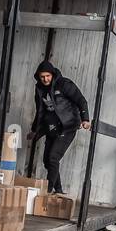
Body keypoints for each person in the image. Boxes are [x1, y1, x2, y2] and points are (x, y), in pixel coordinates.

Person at [29, 60, 91, 195]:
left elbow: (81, 100)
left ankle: (48, 191)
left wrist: (85, 119)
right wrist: (34, 130)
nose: (45, 79)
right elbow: (40, 111)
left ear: (52, 74)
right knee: (47, 161)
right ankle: (58, 190)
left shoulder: (64, 84)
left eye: (48, 76)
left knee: (53, 157)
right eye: (42, 77)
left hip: (67, 126)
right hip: (51, 127)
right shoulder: (39, 89)